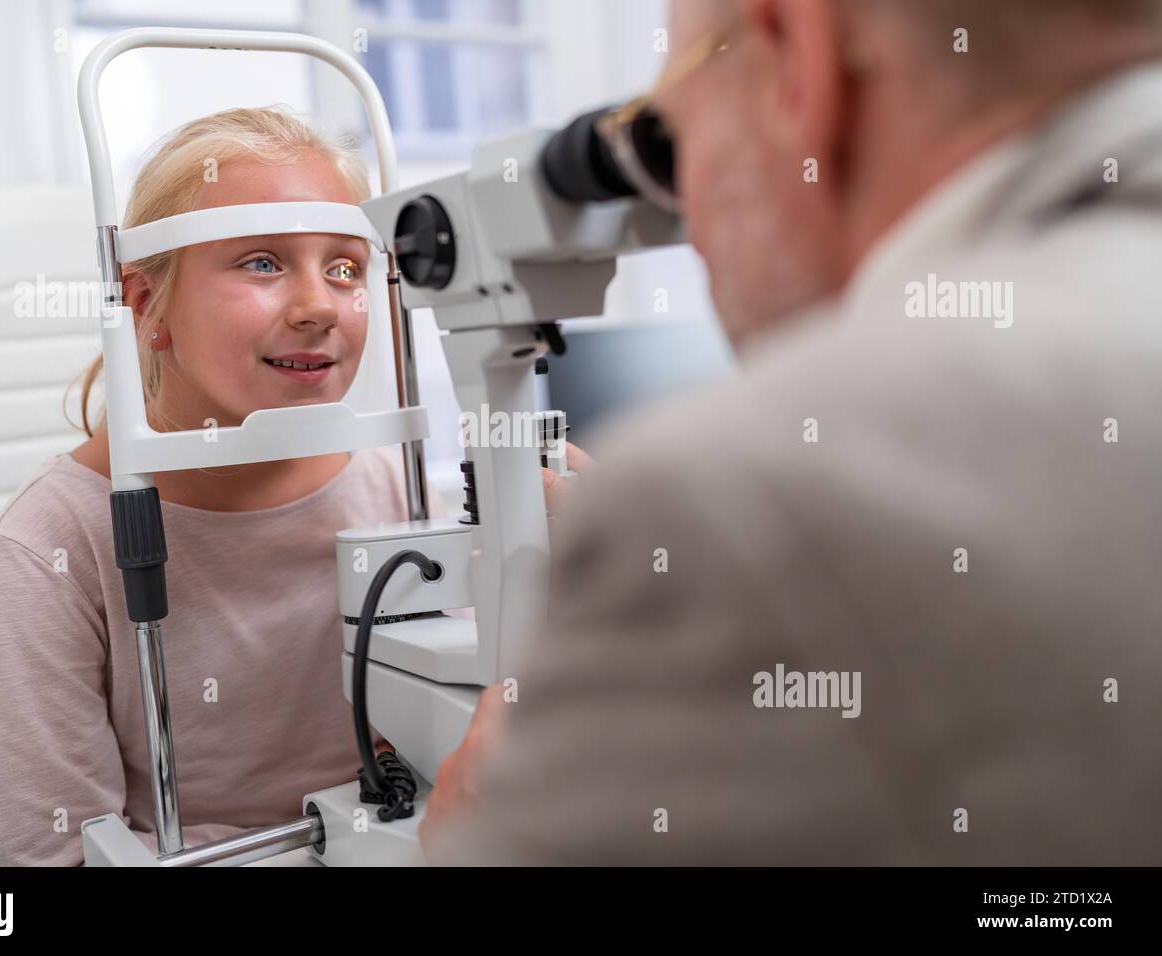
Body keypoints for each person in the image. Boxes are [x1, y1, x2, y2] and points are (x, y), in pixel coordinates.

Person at [421, 0, 1162, 865]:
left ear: (794, 56)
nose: (680, 212)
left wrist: (467, 835)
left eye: (672, 138)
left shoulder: (739, 499)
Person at [0, 106, 574, 865]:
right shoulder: (48, 550)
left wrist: (579, 561)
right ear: (145, 304)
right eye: (261, 261)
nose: (320, 305)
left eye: (345, 268)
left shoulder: (401, 494)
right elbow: (44, 856)